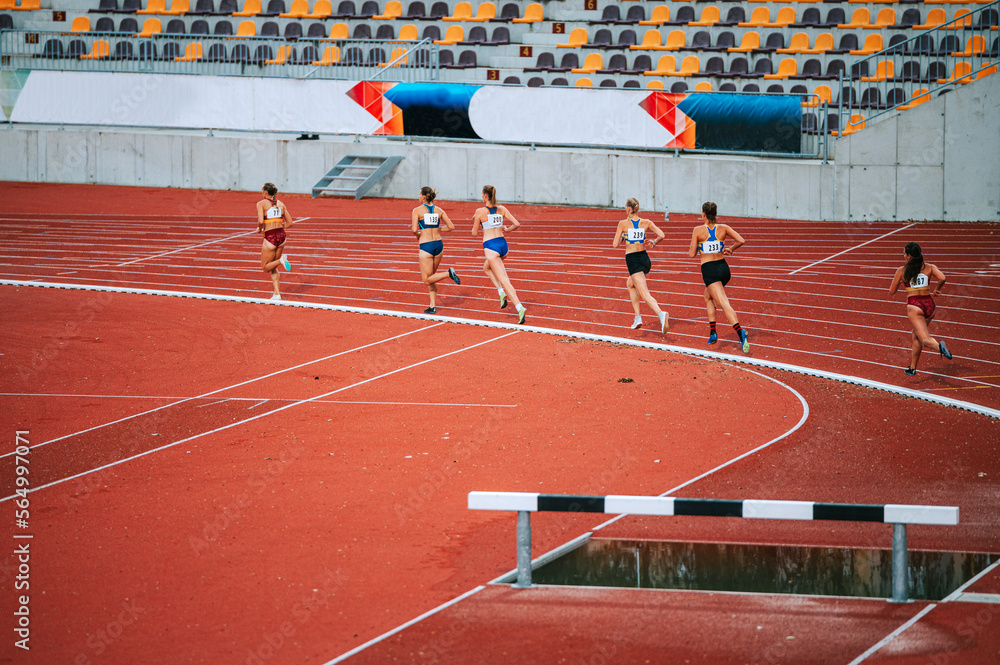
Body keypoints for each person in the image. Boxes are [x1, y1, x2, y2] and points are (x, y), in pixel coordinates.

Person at [688, 201, 749, 353]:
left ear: (703, 214)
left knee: (723, 302)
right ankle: (713, 332)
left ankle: (741, 333)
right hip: (724, 269)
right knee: (708, 296)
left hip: (710, 271)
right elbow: (741, 240)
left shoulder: (698, 230)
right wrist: (731, 249)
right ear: (714, 214)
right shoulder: (724, 228)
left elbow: (691, 254)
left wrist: (699, 243)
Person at [888, 241, 952, 376]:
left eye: (904, 254)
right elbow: (942, 277)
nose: (903, 256)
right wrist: (937, 289)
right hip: (929, 305)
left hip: (914, 306)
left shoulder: (902, 270)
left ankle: (938, 347)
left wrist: (901, 280)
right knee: (916, 335)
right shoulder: (930, 267)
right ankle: (912, 367)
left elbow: (892, 291)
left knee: (924, 339)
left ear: (909, 256)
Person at [611, 198, 669, 334]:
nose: (624, 209)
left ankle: (661, 314)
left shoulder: (623, 224)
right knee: (630, 284)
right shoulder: (646, 222)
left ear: (629, 209)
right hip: (645, 259)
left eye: (625, 207)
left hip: (633, 261)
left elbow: (615, 244)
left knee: (644, 293)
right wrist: (654, 242)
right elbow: (662, 235)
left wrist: (624, 237)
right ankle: (637, 318)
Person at [472, 185, 527, 324]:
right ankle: (501, 292)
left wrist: (476, 220)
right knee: (486, 268)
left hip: (491, 248)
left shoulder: (480, 211)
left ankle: (519, 307)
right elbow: (517, 224)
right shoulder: (502, 209)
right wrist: (507, 229)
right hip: (503, 246)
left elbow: (474, 233)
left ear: (485, 196)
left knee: (504, 280)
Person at [411, 186, 461, 314]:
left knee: (427, 279)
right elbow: (451, 227)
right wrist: (438, 229)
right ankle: (432, 306)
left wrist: (418, 235)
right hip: (438, 245)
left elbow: (413, 230)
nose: (418, 196)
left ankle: (448, 273)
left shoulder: (417, 210)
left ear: (423, 196)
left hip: (426, 246)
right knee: (432, 277)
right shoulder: (439, 210)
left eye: (419, 194)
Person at [256, 183, 293, 301]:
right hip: (282, 236)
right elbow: (290, 223)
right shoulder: (281, 204)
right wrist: (279, 224)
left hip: (270, 237)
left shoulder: (261, 204)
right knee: (273, 267)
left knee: (266, 267)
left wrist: (260, 228)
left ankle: (281, 260)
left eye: (262, 191)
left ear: (265, 192)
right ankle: (277, 294)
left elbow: (261, 221)